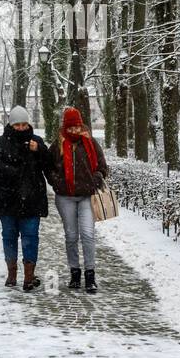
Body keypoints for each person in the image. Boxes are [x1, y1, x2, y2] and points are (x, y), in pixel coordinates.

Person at [45, 107, 108, 293]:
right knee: (71, 236)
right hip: (65, 197)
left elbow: (103, 165)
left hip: (87, 196)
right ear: (65, 127)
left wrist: (97, 177)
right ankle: (74, 273)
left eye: (77, 127)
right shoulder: (57, 145)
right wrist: (57, 182)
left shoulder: (90, 142)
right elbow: (48, 168)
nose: (74, 131)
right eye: (71, 128)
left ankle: (90, 275)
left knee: (88, 234)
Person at [0, 106, 48, 291]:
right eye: (17, 125)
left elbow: (49, 163)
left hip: (32, 197)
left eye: (24, 124)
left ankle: (29, 277)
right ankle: (11, 274)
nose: (21, 128)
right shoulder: (0, 142)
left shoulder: (36, 141)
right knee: (9, 236)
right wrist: (16, 172)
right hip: (7, 197)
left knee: (30, 236)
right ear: (11, 124)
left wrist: (39, 150)